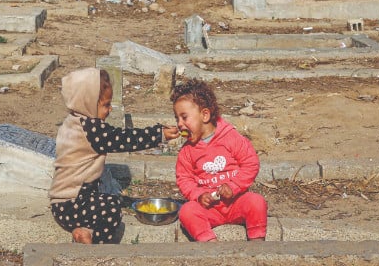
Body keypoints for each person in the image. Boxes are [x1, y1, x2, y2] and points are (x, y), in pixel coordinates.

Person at [49, 68, 179, 244]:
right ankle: (97, 245)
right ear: (87, 103)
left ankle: (83, 231)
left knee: (106, 199)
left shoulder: (72, 122)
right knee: (111, 207)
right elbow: (124, 139)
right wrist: (158, 134)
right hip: (76, 204)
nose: (110, 109)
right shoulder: (92, 129)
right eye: (105, 104)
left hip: (62, 206)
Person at [172, 79, 267, 242]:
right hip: (209, 209)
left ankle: (257, 244)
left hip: (236, 203)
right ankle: (210, 244)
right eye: (177, 119)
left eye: (184, 117)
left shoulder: (231, 138)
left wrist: (234, 186)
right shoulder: (187, 151)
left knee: (256, 202)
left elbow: (251, 163)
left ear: (205, 115)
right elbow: (184, 179)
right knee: (187, 211)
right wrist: (199, 194)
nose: (180, 124)